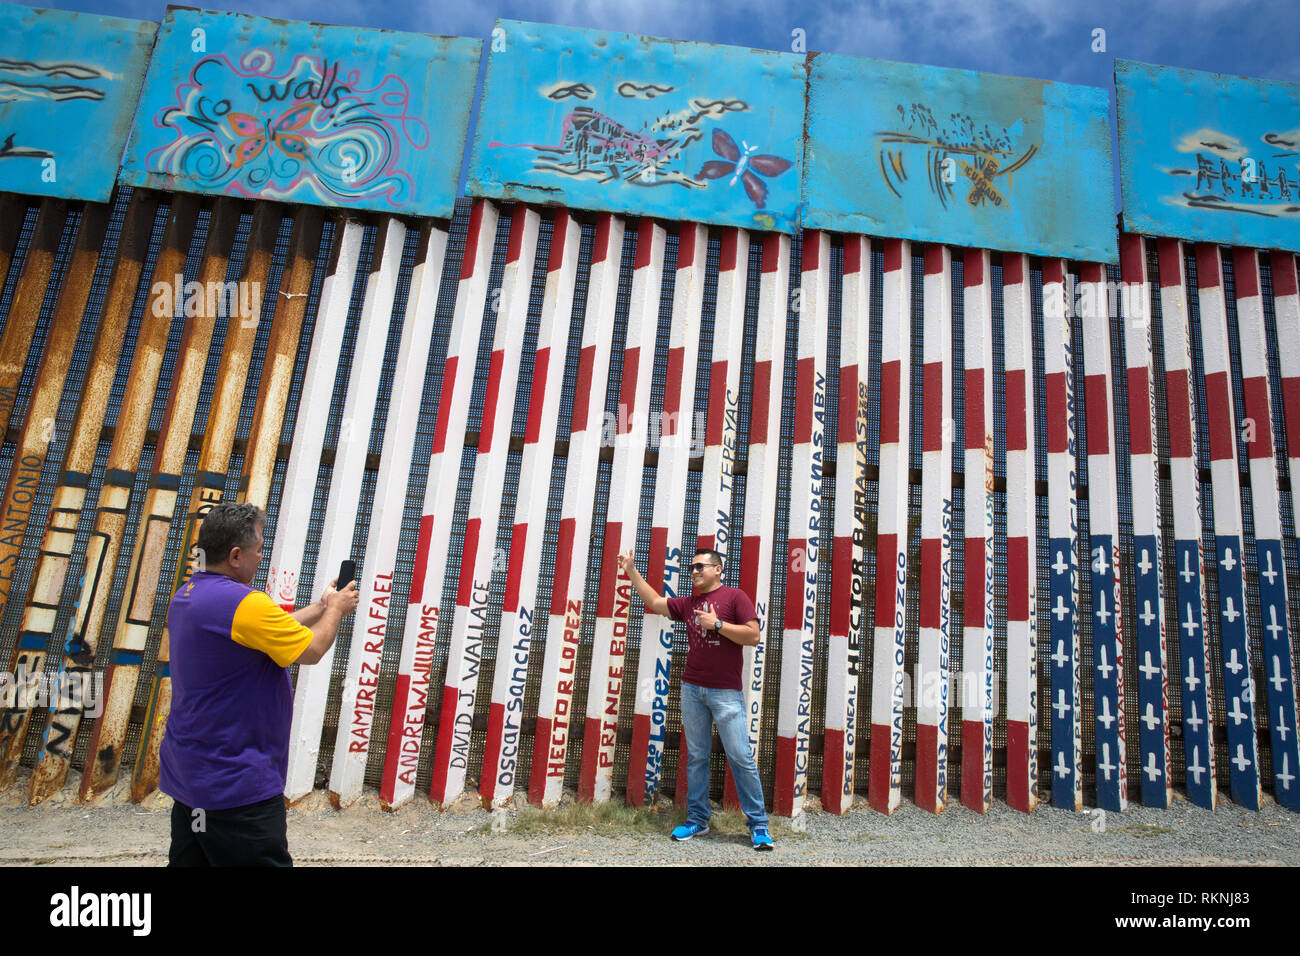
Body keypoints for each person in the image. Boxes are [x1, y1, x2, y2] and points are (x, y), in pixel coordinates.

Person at [160, 502, 359, 866]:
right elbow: (312, 650)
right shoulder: (245, 602)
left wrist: (320, 606)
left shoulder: (189, 595)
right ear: (235, 555)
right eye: (257, 550)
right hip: (236, 785)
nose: (260, 557)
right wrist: (337, 611)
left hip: (191, 778)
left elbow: (262, 634)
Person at [617, 546, 774, 851]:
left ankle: (759, 826)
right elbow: (654, 601)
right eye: (692, 567)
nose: (695, 571)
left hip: (726, 693)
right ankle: (698, 820)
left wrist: (717, 625)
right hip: (692, 690)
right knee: (698, 757)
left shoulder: (735, 597)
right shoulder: (689, 603)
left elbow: (753, 636)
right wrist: (631, 570)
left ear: (718, 569)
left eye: (701, 566)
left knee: (740, 757)